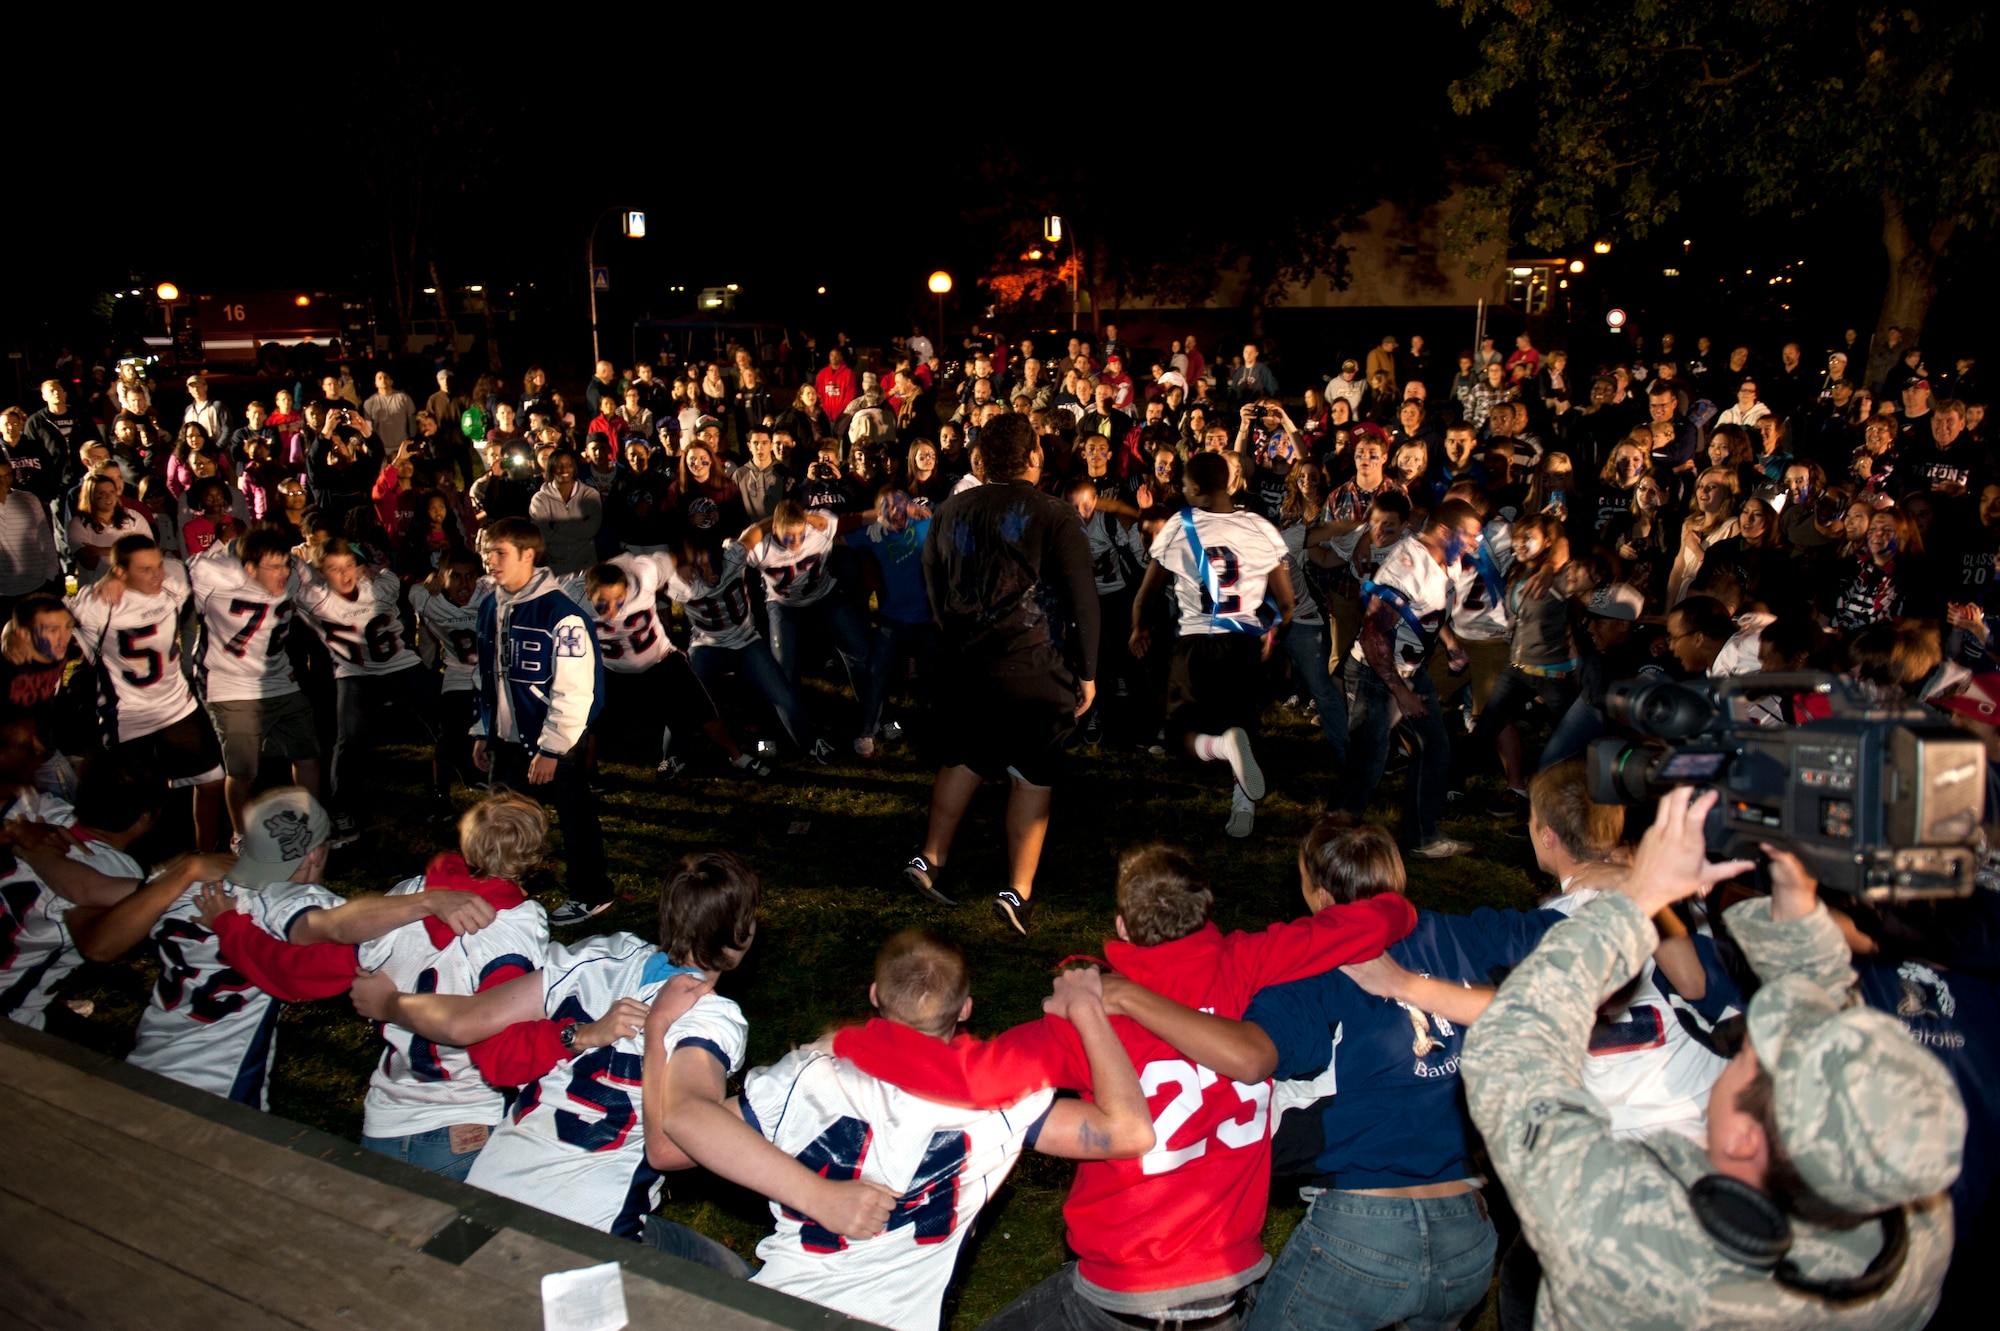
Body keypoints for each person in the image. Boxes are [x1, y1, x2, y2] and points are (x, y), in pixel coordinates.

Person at [1462, 787, 1963, 1329]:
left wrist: (1637, 899)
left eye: (1746, 1053)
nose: (1741, 1044)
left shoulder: (1618, 1235)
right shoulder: (1916, 1239)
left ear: (1742, 1139)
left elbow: (1512, 1044)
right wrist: (1795, 905)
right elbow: (1836, 1059)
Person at [1093, 819, 1572, 1331]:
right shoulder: (1465, 935)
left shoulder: (1308, 973)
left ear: (1320, 897)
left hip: (1364, 1235)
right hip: (1469, 1237)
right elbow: (1574, 930)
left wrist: (1135, 998)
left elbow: (1252, 1056)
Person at [651, 932, 1156, 1331]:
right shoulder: (1003, 1103)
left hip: (784, 1308)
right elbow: (1129, 1131)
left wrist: (660, 1033)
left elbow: (677, 1140)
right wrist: (1089, 1014)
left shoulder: (807, 1076)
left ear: (874, 996)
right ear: (964, 1009)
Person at [202, 791, 549, 1180]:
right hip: (466, 1122)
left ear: (466, 844)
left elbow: (299, 970)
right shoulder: (516, 929)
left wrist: (230, 928)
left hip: (386, 1116)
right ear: (535, 859)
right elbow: (503, 1043)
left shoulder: (407, 897)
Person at [126, 787, 459, 1108]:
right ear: (315, 851)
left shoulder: (180, 886)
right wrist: (422, 903)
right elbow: (333, 927)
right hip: (215, 1087)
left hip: (146, 1059)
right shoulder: (280, 901)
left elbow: (100, 920)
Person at [903, 414, 1100, 934]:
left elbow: (932, 584)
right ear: (1034, 456)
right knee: (1032, 774)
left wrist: (950, 640)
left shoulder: (951, 511)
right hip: (1033, 665)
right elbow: (1084, 598)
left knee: (965, 756)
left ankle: (929, 859)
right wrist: (1089, 670)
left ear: (985, 461)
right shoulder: (1055, 515)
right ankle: (1017, 890)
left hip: (967, 664)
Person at [1130, 451, 1294, 838]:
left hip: (1195, 643)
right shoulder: (1259, 527)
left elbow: (1147, 593)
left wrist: (1139, 628)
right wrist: (1273, 633)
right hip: (1242, 643)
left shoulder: (1177, 525)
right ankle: (1242, 809)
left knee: (1180, 733)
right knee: (1242, 722)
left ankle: (1220, 748)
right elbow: (1286, 603)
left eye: (1184, 484)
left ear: (1197, 488)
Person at [471, 517, 608, 924]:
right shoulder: (490, 604)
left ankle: (592, 891)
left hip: (554, 739)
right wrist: (484, 728)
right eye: (486, 551)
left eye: (500, 553)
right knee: (500, 817)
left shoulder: (561, 613)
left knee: (573, 815)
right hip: (507, 736)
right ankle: (506, 889)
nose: (490, 561)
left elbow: (577, 688)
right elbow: (487, 674)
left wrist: (552, 748)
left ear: (528, 554)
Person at [1339, 501, 1484, 858]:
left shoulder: (1444, 558)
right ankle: (1335, 835)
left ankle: (1422, 837)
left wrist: (1449, 645)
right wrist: (1400, 692)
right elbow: (1373, 633)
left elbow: (1425, 611)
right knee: (1370, 759)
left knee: (1434, 747)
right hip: (1379, 674)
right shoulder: (1408, 567)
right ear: (1444, 533)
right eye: (1468, 536)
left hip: (1408, 671)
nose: (1474, 546)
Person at [67, 536, 227, 851]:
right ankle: (126, 866)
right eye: (145, 570)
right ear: (121, 572)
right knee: (127, 803)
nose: (157, 576)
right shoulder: (97, 605)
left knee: (212, 781)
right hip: (129, 715)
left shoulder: (173, 578)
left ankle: (206, 856)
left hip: (177, 706)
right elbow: (53, 622)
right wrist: (109, 579)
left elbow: (176, 563)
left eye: (157, 567)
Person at [564, 552, 770, 780]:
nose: (612, 609)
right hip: (612, 669)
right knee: (591, 722)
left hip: (658, 659)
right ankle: (584, 779)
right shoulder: (570, 595)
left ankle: (736, 756)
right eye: (603, 603)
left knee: (703, 709)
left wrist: (682, 564)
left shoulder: (642, 574)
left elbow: (667, 560)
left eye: (619, 600)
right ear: (587, 592)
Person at [293, 537, 433, 846]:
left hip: (399, 663)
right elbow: (284, 580)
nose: (344, 575)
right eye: (334, 569)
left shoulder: (380, 586)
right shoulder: (313, 597)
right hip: (354, 671)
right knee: (349, 738)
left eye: (348, 567)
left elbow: (388, 577)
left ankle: (461, 776)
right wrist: (298, 562)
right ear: (320, 572)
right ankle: (341, 809)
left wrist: (376, 572)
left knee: (441, 717)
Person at [188, 530, 322, 842]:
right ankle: (242, 837)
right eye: (272, 567)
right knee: (244, 771)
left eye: (284, 565)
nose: (282, 573)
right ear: (248, 569)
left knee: (308, 755)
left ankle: (310, 827)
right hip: (230, 684)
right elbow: (177, 573)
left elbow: (312, 577)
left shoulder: (293, 575)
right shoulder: (216, 579)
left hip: (279, 678)